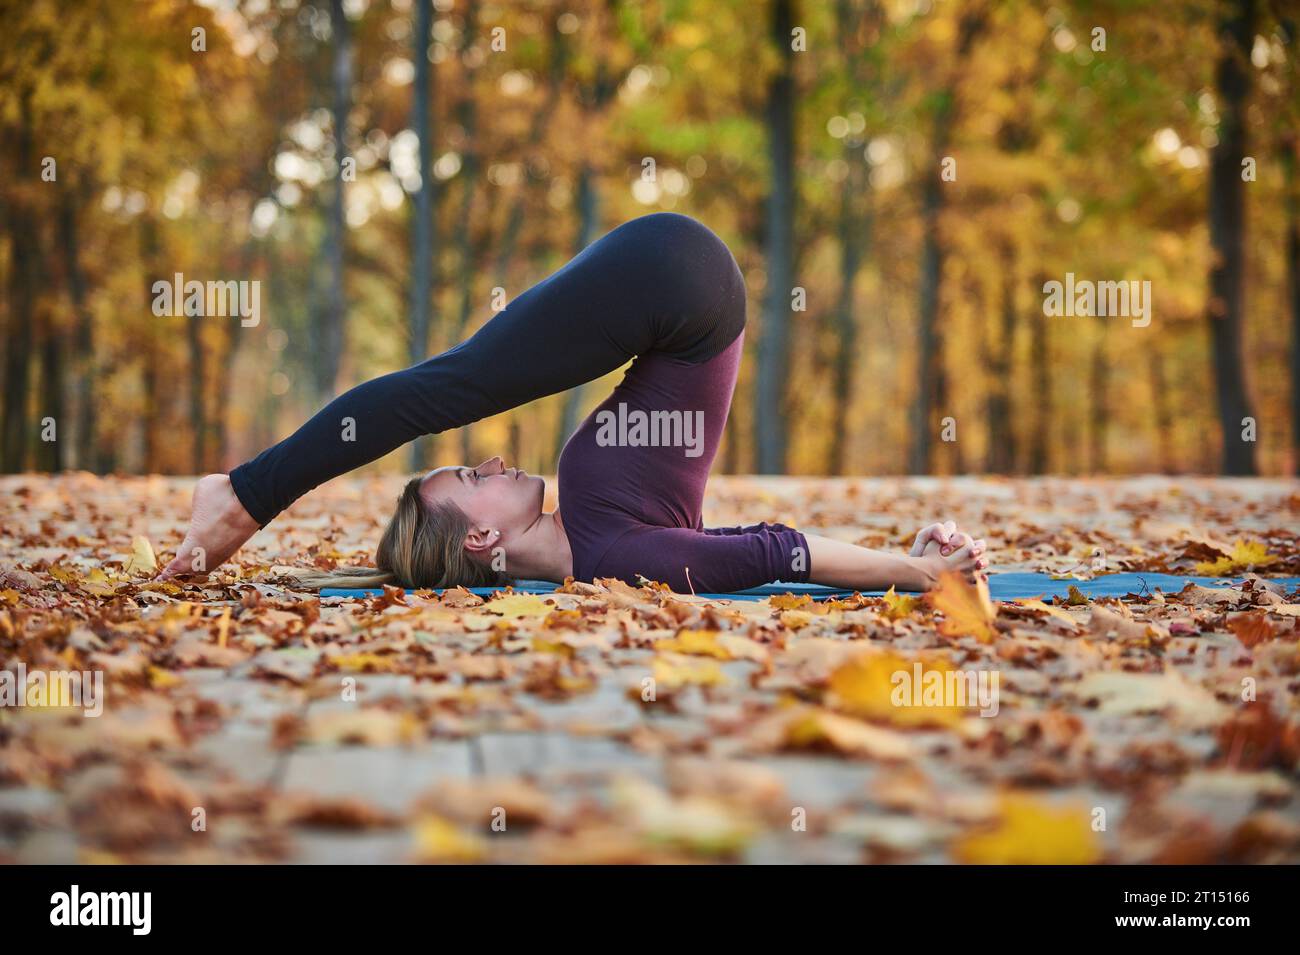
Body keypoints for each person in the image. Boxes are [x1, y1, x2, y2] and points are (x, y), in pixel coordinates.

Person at [160, 213, 987, 592]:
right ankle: (242, 493)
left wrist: (907, 567)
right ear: (481, 537)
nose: (487, 458)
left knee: (459, 383)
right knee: (455, 385)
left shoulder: (592, 527)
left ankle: (244, 492)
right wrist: (915, 568)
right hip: (678, 282)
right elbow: (774, 551)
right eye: (465, 476)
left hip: (671, 284)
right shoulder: (614, 554)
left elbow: (771, 548)